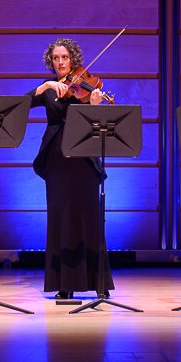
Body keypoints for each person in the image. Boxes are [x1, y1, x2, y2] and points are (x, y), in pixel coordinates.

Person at [30, 38, 113, 300]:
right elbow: (20, 104)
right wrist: (43, 86)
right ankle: (64, 283)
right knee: (60, 219)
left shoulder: (86, 87)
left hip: (83, 157)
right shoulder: (49, 90)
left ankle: (98, 281)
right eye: (56, 58)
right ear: (51, 62)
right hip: (57, 158)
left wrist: (93, 106)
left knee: (90, 218)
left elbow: (91, 122)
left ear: (73, 60)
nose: (61, 62)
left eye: (65, 57)